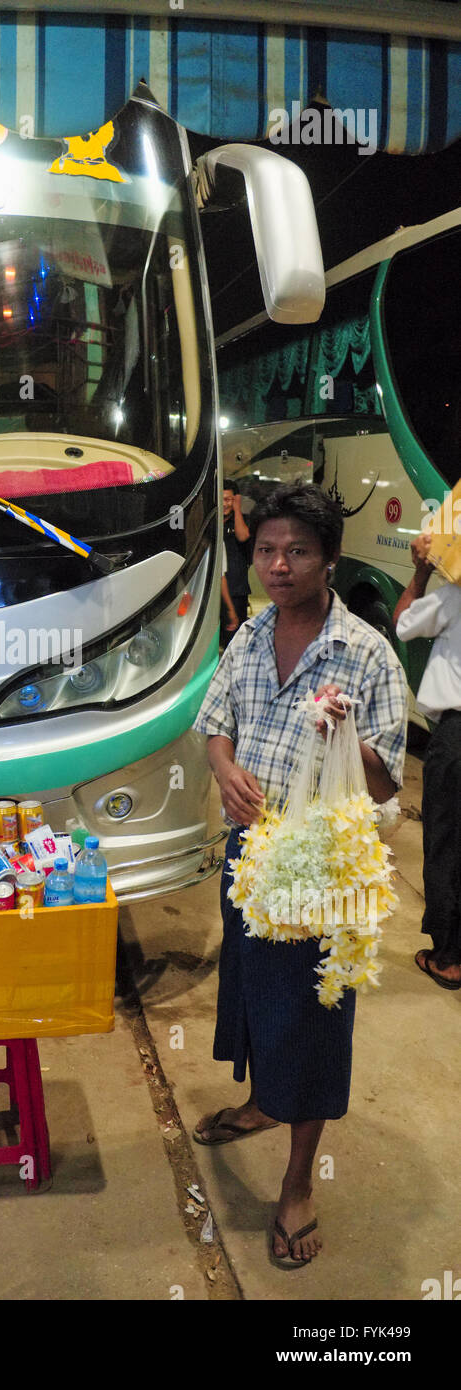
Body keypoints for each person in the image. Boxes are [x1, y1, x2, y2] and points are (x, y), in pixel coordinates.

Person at [193, 484, 407, 1266]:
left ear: (329, 561)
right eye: (266, 551)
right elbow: (215, 725)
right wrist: (224, 773)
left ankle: (296, 1182)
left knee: (314, 1022)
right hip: (252, 865)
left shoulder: (366, 652)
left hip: (321, 874)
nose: (278, 567)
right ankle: (261, 1102)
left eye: (297, 552)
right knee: (253, 991)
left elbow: (386, 786)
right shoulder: (251, 633)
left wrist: (348, 734)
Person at [394, 531, 461, 990]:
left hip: (457, 739)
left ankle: (450, 959)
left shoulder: (453, 597)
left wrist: (421, 571)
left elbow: (402, 623)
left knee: (447, 844)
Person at [222, 480, 252, 631]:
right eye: (221, 499)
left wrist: (237, 509)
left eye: (228, 499)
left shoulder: (241, 519)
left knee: (234, 635)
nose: (224, 504)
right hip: (216, 588)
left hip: (237, 588)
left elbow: (242, 536)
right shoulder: (212, 521)